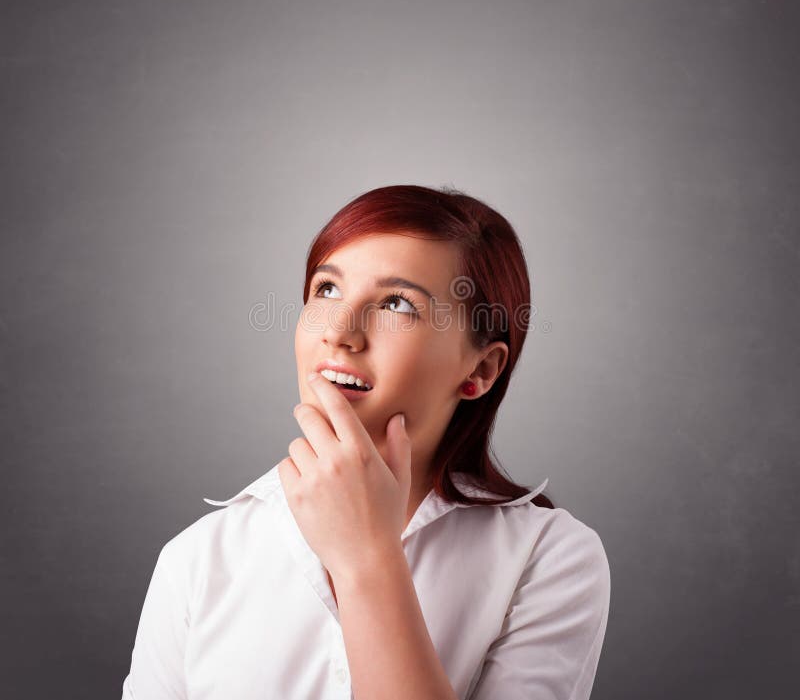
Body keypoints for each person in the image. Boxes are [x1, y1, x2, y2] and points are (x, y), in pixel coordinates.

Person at [120, 184, 610, 700]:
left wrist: (367, 559)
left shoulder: (547, 559)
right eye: (327, 289)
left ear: (480, 370)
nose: (340, 332)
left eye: (397, 303)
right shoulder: (200, 557)